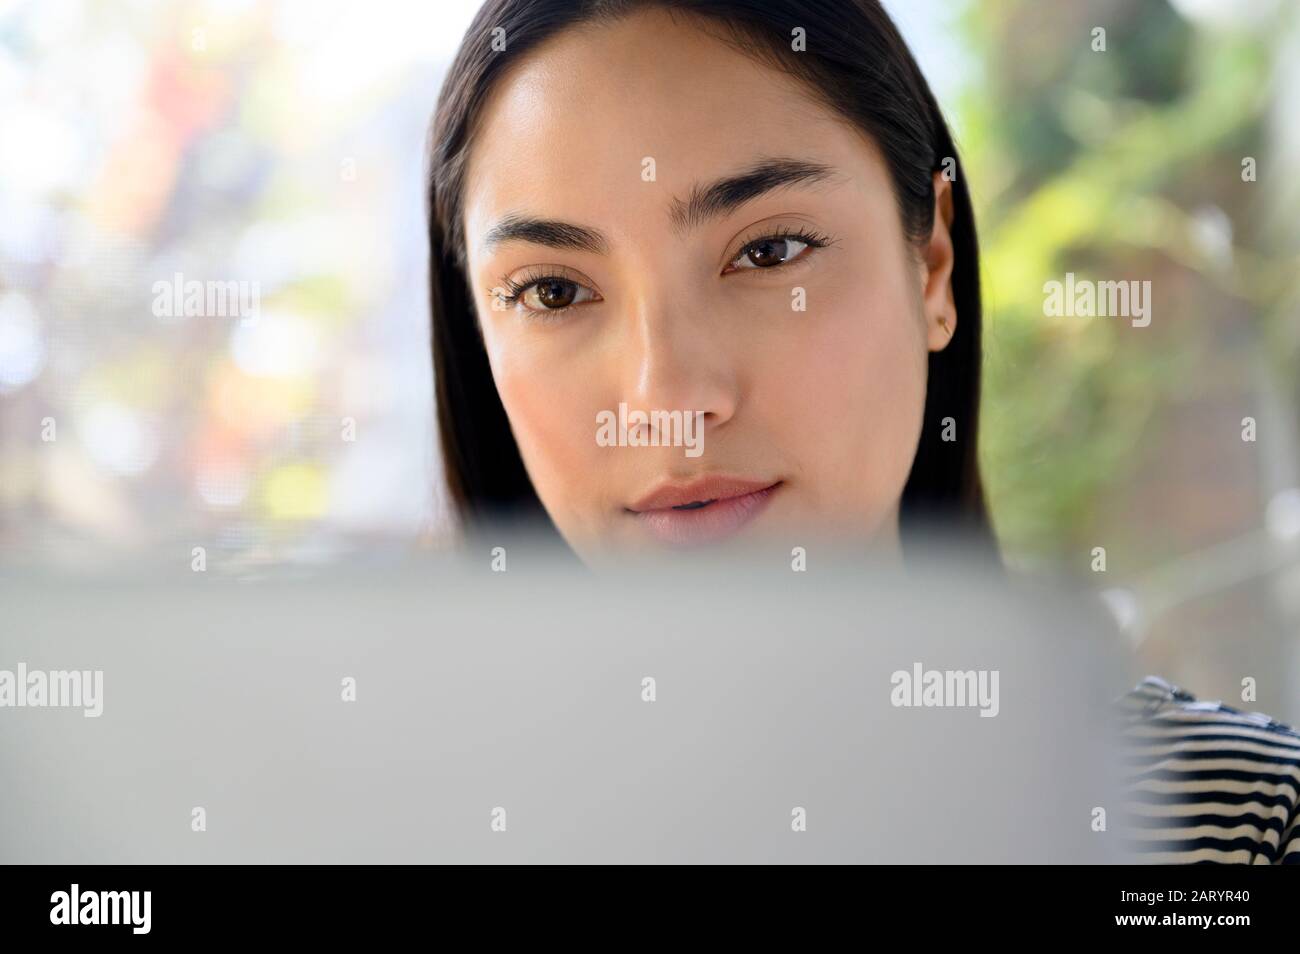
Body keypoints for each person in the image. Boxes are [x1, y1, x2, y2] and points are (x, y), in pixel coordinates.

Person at [426, 0, 1299, 863]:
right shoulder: (396, 835)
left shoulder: (1241, 829)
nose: (666, 398)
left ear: (931, 267)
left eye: (769, 253)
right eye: (552, 292)